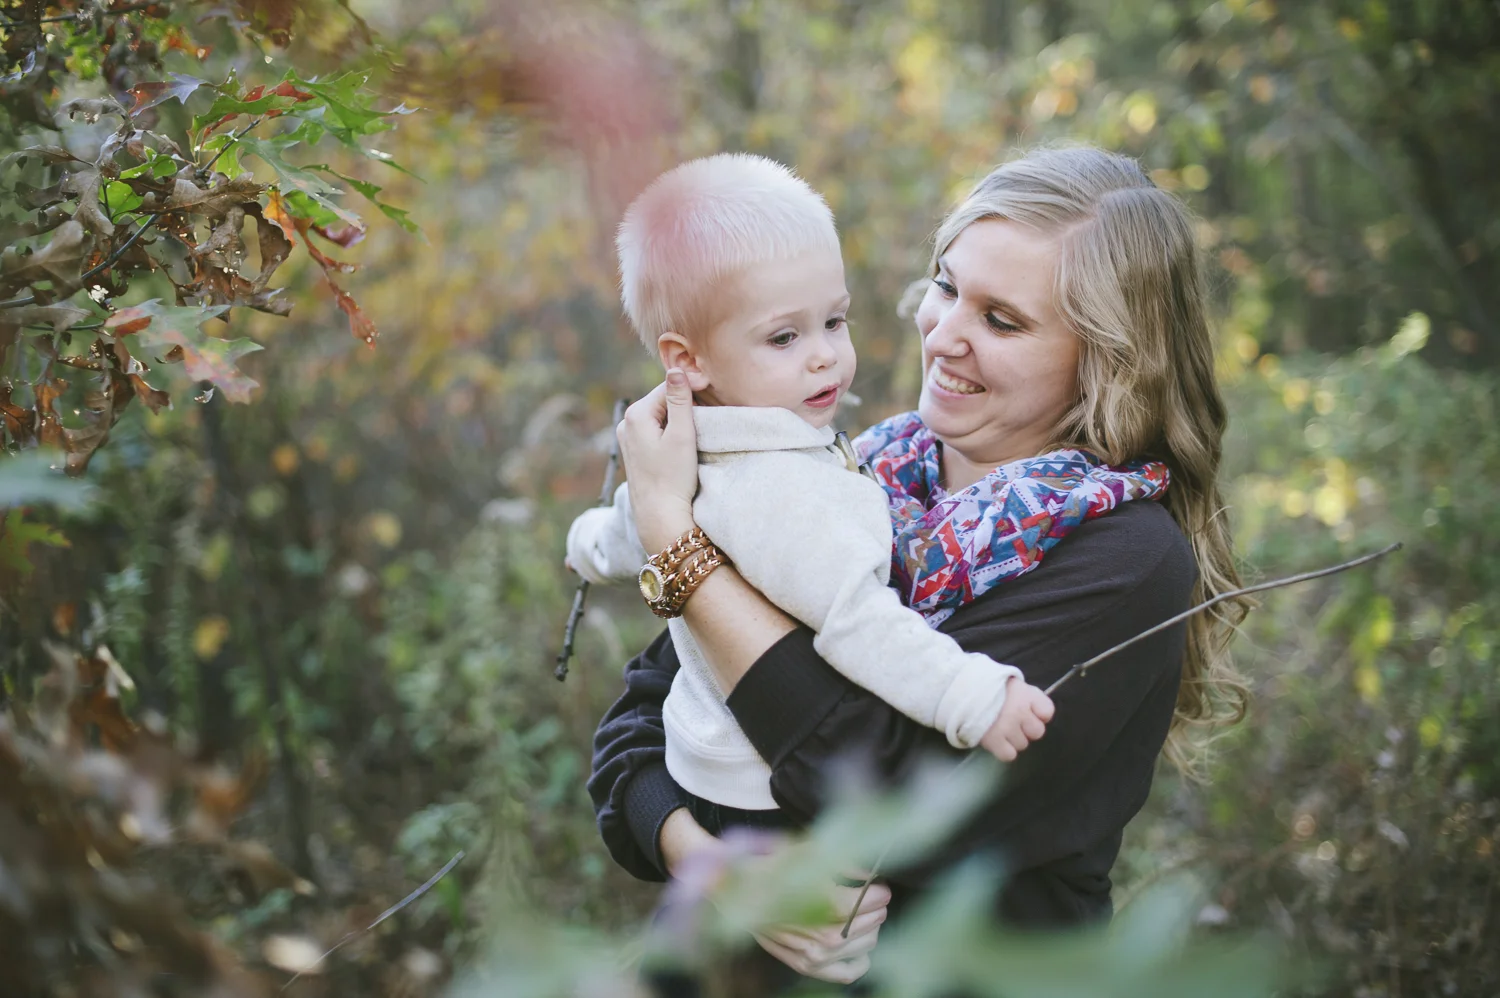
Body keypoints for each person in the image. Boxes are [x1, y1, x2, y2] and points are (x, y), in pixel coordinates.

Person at [589, 146, 1250, 988]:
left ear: (1109, 356)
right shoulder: (848, 471)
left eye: (1002, 320)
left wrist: (672, 535)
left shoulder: (1124, 558)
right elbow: (636, 733)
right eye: (946, 286)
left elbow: (879, 793)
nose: (944, 333)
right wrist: (716, 871)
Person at [571, 151, 1116, 835]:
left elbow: (629, 532)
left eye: (835, 321)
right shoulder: (800, 480)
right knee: (830, 942)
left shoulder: (701, 461)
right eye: (784, 336)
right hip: (763, 800)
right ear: (687, 359)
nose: (826, 354)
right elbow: (856, 621)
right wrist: (972, 696)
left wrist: (595, 542)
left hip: (709, 772)